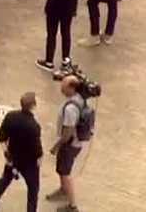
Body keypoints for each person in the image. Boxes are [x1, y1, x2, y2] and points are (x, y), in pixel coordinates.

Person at [0, 91, 42, 212]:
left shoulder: (11, 116)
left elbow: (1, 137)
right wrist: (39, 160)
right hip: (29, 163)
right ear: (33, 106)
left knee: (4, 180)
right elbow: (37, 150)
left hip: (13, 158)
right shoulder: (34, 126)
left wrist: (7, 154)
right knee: (33, 189)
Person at [47, 75, 91, 211]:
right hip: (74, 143)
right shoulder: (79, 99)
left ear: (72, 88)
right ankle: (63, 190)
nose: (61, 89)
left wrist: (56, 146)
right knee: (62, 169)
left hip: (69, 145)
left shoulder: (71, 109)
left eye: (63, 87)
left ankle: (72, 206)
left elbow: (68, 133)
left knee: (65, 173)